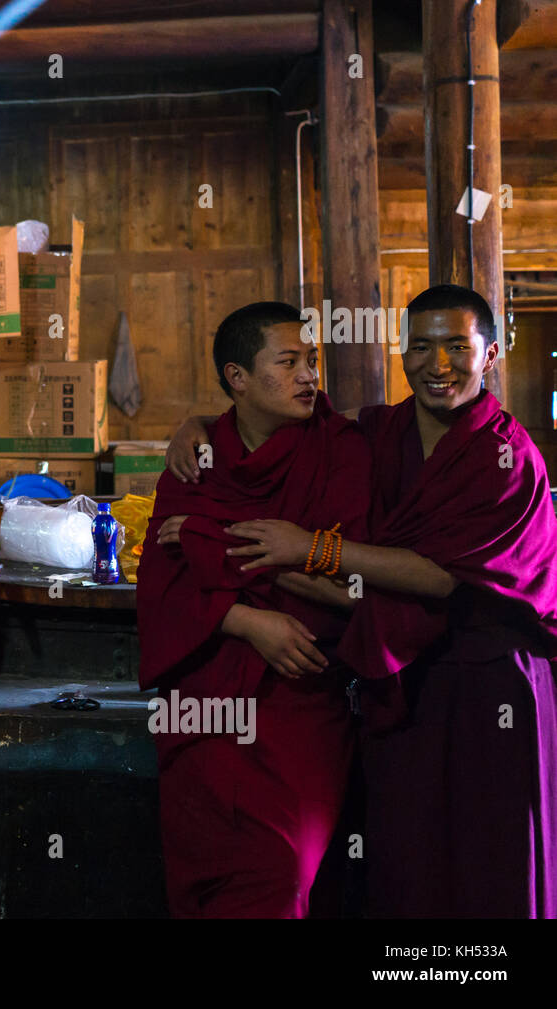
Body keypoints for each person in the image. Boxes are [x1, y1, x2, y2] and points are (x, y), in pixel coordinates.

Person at [167, 285, 557, 918]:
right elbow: (286, 425)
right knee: (409, 863)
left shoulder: (505, 456)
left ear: (491, 355)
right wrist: (200, 425)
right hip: (400, 684)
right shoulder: (379, 431)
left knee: (491, 863)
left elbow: (438, 577)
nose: (439, 365)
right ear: (401, 354)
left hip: (486, 688)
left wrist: (310, 549)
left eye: (458, 346)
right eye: (422, 347)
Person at [137, 302, 371, 918]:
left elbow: (352, 580)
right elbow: (160, 578)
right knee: (208, 874)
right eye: (287, 362)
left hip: (299, 696)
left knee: (281, 870)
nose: (307, 376)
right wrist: (244, 619)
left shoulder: (343, 450)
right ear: (237, 377)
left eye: (311, 361)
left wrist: (209, 540)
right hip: (207, 699)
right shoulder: (199, 456)